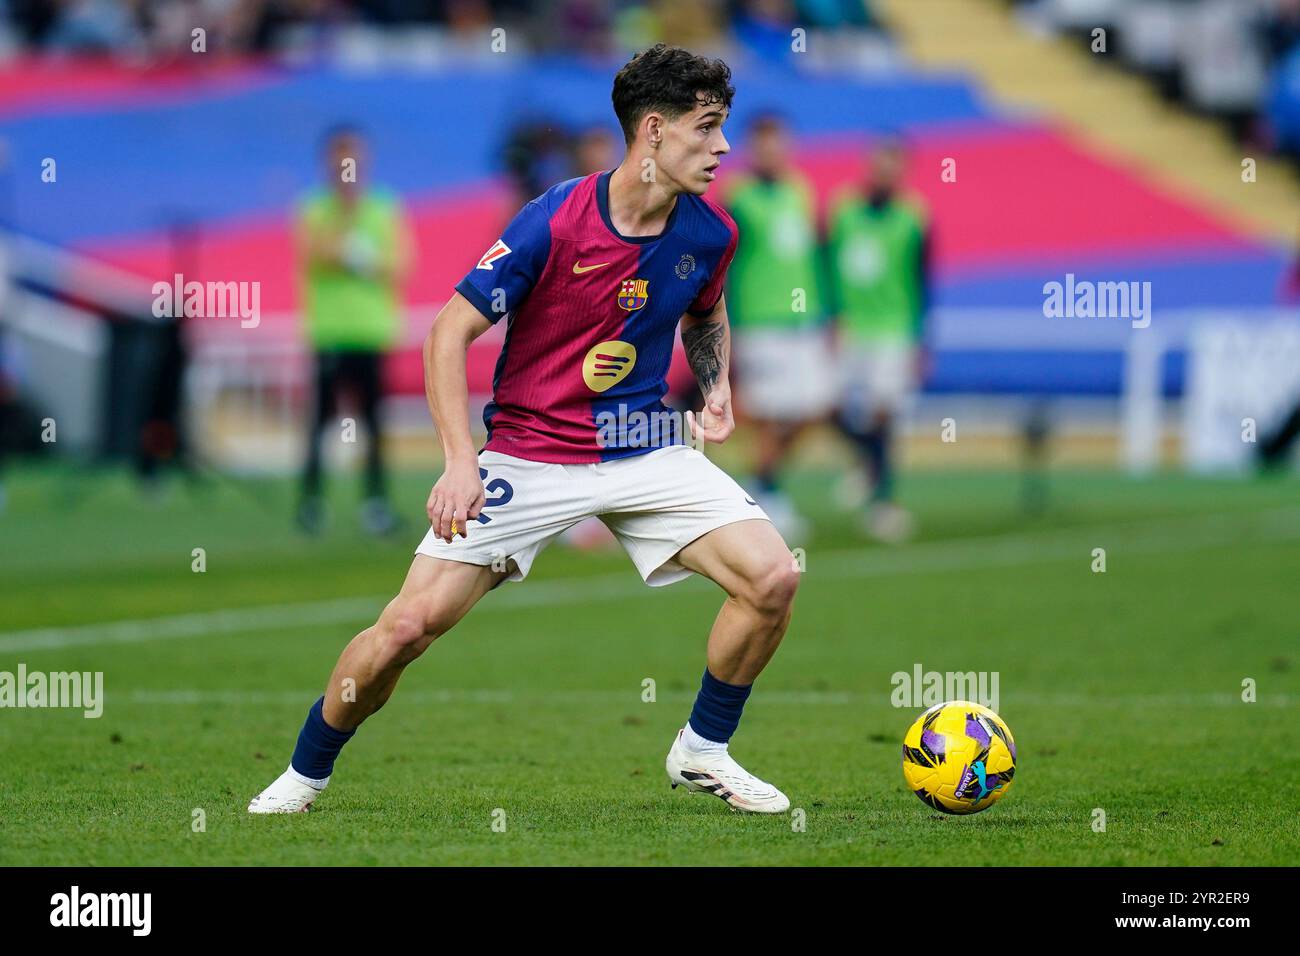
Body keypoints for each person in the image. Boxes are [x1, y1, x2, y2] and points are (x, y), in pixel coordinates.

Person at [249, 45, 798, 815]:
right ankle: (303, 775)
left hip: (644, 447)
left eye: (723, 129)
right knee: (407, 628)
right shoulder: (555, 221)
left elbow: (706, 312)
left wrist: (714, 386)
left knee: (773, 577)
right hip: (530, 455)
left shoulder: (709, 234)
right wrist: (458, 461)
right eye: (707, 129)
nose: (723, 147)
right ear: (652, 132)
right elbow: (447, 333)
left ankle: (703, 750)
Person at [296, 125, 412, 536]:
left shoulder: (383, 207)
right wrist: (351, 239)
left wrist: (353, 256)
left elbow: (398, 266)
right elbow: (316, 253)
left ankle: (376, 503)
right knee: (320, 421)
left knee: (374, 423)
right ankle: (310, 503)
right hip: (329, 331)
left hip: (371, 331)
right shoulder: (315, 208)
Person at [724, 112, 833, 542]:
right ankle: (768, 491)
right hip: (759, 320)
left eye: (778, 141)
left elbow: (814, 256)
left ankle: (762, 480)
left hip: (805, 321)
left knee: (818, 406)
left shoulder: (800, 191)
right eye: (763, 142)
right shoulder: (740, 197)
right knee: (767, 414)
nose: (772, 150)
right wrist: (725, 325)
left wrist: (827, 313)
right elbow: (726, 265)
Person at [827, 136, 931, 542]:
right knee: (826, 405)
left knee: (884, 415)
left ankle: (883, 502)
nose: (886, 172)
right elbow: (825, 264)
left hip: (893, 330)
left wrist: (921, 339)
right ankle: (866, 462)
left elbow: (923, 280)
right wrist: (829, 318)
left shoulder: (913, 217)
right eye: (880, 164)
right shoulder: (844, 210)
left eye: (894, 165)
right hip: (850, 327)